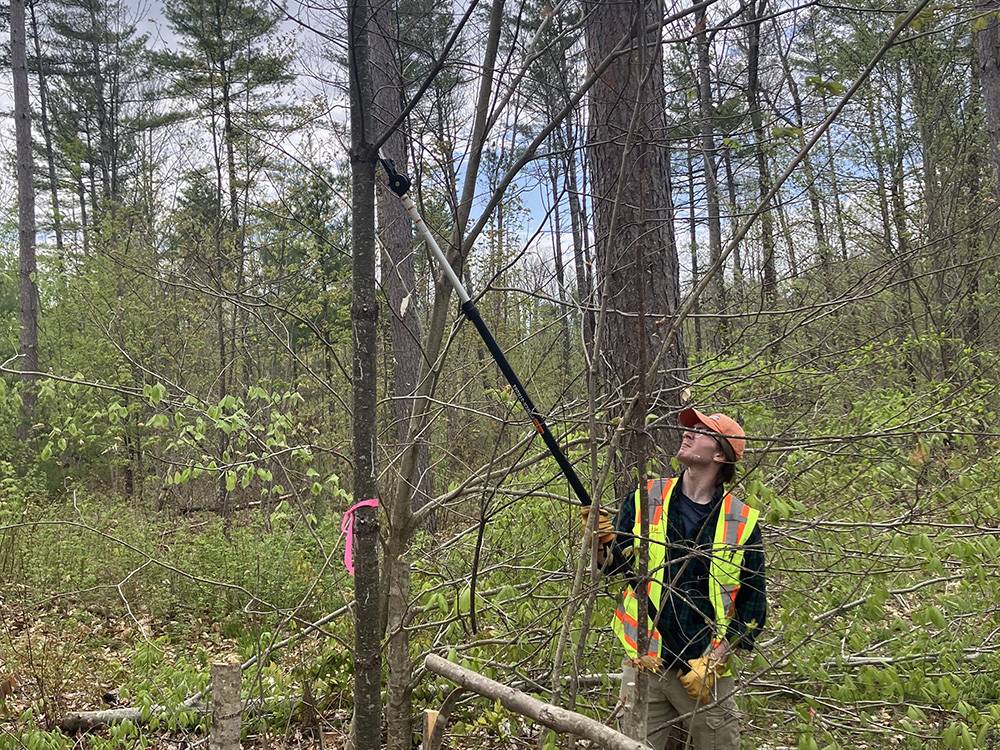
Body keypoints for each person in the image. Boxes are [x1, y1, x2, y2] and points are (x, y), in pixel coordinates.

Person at [582, 407, 767, 750]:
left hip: (704, 671)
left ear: (719, 454)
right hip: (646, 663)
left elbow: (753, 610)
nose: (688, 432)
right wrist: (599, 541)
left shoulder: (742, 522)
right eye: (690, 427)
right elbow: (613, 567)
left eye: (701, 431)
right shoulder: (646, 497)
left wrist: (715, 659)